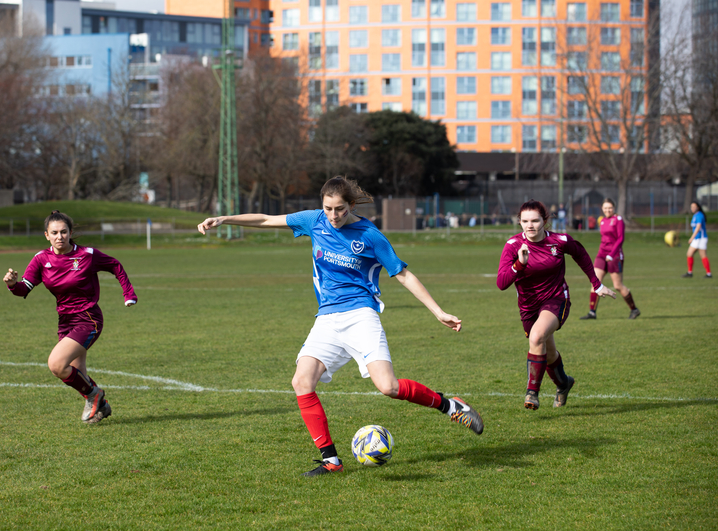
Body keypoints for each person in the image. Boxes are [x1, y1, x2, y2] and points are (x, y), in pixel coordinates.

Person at [197, 176, 483, 477]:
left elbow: (403, 274)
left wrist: (438, 311)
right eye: (328, 208)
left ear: (351, 205)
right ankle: (331, 459)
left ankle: (451, 406)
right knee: (301, 382)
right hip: (327, 319)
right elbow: (268, 219)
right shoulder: (314, 221)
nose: (334, 216)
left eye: (340, 209)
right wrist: (225, 218)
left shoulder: (370, 234)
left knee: (389, 387)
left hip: (361, 315)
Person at [3, 211, 137, 424]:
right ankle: (100, 405)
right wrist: (12, 284)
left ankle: (94, 395)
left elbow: (115, 266)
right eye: (54, 232)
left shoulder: (87, 254)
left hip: (88, 318)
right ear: (46, 235)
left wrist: (128, 293)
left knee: (56, 365)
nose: (59, 236)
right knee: (78, 372)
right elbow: (24, 289)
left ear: (70, 232)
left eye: (64, 232)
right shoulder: (40, 259)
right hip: (64, 320)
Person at [497, 200, 616, 410]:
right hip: (528, 307)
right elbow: (501, 283)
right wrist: (519, 264)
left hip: (556, 299)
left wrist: (596, 285)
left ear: (545, 220)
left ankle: (532, 393)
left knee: (536, 337)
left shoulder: (559, 241)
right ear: (519, 222)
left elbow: (580, 253)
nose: (530, 225)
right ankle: (563, 383)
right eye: (525, 221)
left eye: (535, 220)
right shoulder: (513, 246)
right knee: (547, 352)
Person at [581, 198, 641, 320]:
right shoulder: (602, 221)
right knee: (595, 282)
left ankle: (634, 309)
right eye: (605, 208)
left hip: (614, 256)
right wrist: (603, 254)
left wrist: (612, 254)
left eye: (610, 208)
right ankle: (592, 312)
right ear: (602, 209)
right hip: (601, 255)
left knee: (618, 285)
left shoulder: (618, 220)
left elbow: (620, 239)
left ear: (614, 208)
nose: (608, 210)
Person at [683, 201, 711, 278]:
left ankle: (707, 274)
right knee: (690, 254)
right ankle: (690, 272)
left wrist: (691, 238)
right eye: (691, 207)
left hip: (700, 238)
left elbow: (698, 227)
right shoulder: (695, 215)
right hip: (697, 239)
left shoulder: (699, 215)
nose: (692, 208)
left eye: (694, 207)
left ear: (698, 207)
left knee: (701, 255)